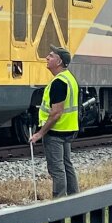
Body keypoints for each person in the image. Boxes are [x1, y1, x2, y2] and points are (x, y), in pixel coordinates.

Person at [29, 45, 80, 197]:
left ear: (58, 62)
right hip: (68, 129)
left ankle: (59, 203)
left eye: (50, 56)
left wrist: (40, 133)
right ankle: (74, 199)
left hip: (56, 131)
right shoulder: (69, 78)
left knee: (57, 169)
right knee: (67, 165)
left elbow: (56, 113)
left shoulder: (59, 82)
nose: (47, 58)